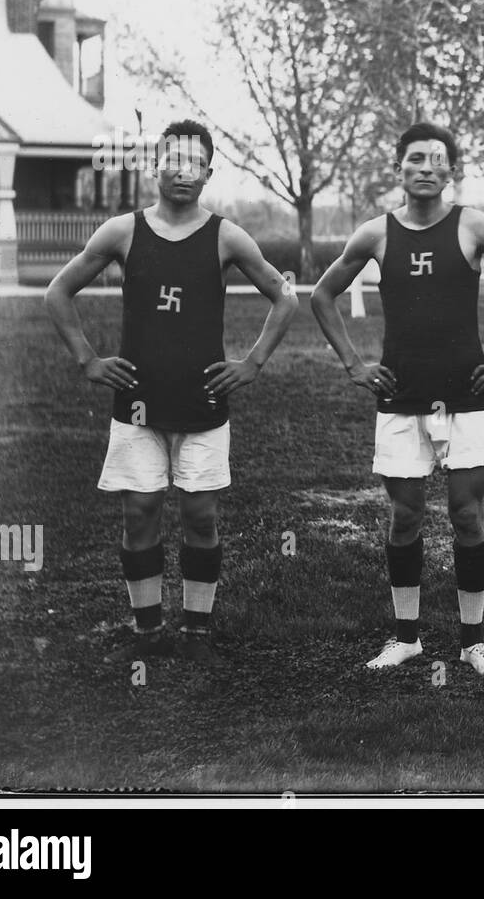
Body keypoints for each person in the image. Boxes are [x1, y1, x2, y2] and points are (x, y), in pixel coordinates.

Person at [46, 120, 298, 664]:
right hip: (137, 404)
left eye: (195, 162)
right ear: (155, 165)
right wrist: (88, 360)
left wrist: (252, 363)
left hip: (203, 403)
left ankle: (197, 635)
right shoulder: (122, 231)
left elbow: (285, 297)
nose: (184, 170)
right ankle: (148, 632)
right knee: (140, 510)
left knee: (200, 515)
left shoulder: (226, 235)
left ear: (209, 171)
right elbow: (58, 292)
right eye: (173, 159)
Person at [312, 123, 484, 677]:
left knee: (467, 514)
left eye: (438, 160)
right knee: (405, 516)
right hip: (401, 398)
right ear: (399, 168)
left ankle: (473, 642)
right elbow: (321, 295)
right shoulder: (375, 234)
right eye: (415, 159)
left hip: (467, 398)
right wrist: (353, 364)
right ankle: (406, 638)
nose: (426, 168)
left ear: (450, 171)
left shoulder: (474, 226)